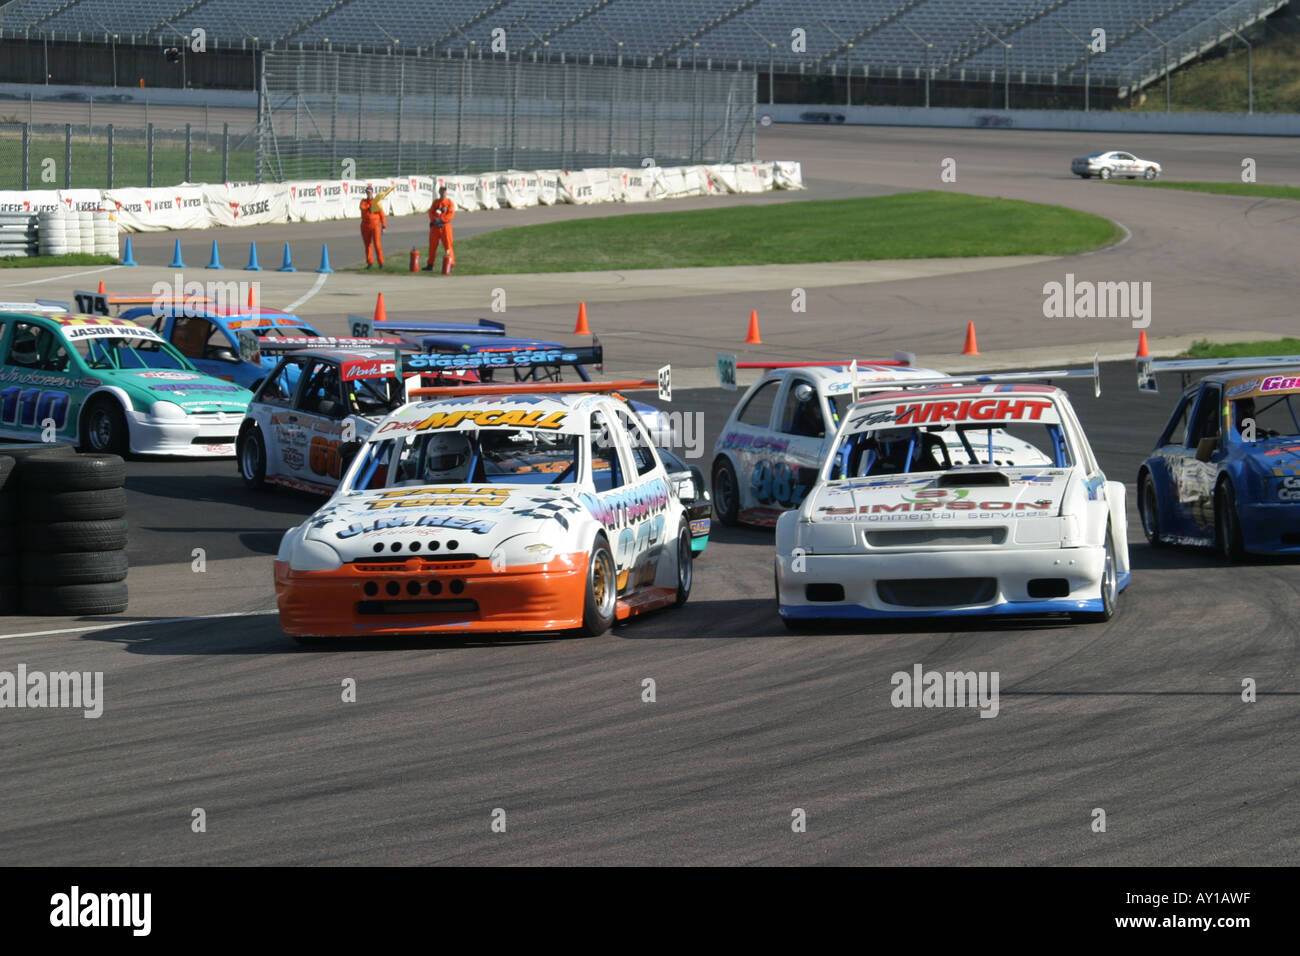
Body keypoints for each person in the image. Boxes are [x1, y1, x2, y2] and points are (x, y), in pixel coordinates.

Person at [425, 184, 456, 273]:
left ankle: (451, 264)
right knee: (432, 246)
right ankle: (430, 264)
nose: (443, 192)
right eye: (441, 191)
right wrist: (434, 220)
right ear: (439, 192)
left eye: (444, 191)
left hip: (445, 226)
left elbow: (451, 215)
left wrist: (441, 220)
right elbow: (431, 212)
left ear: (446, 192)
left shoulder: (449, 203)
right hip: (435, 226)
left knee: (448, 246)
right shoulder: (435, 203)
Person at [359, 185, 386, 269]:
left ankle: (381, 263)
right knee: (367, 245)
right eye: (367, 192)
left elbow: (382, 215)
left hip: (375, 225)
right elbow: (362, 207)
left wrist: (384, 226)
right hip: (365, 225)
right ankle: (370, 263)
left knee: (377, 245)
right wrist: (369, 207)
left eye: (370, 192)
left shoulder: (376, 202)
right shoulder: (363, 201)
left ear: (372, 192)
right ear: (366, 193)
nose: (369, 194)